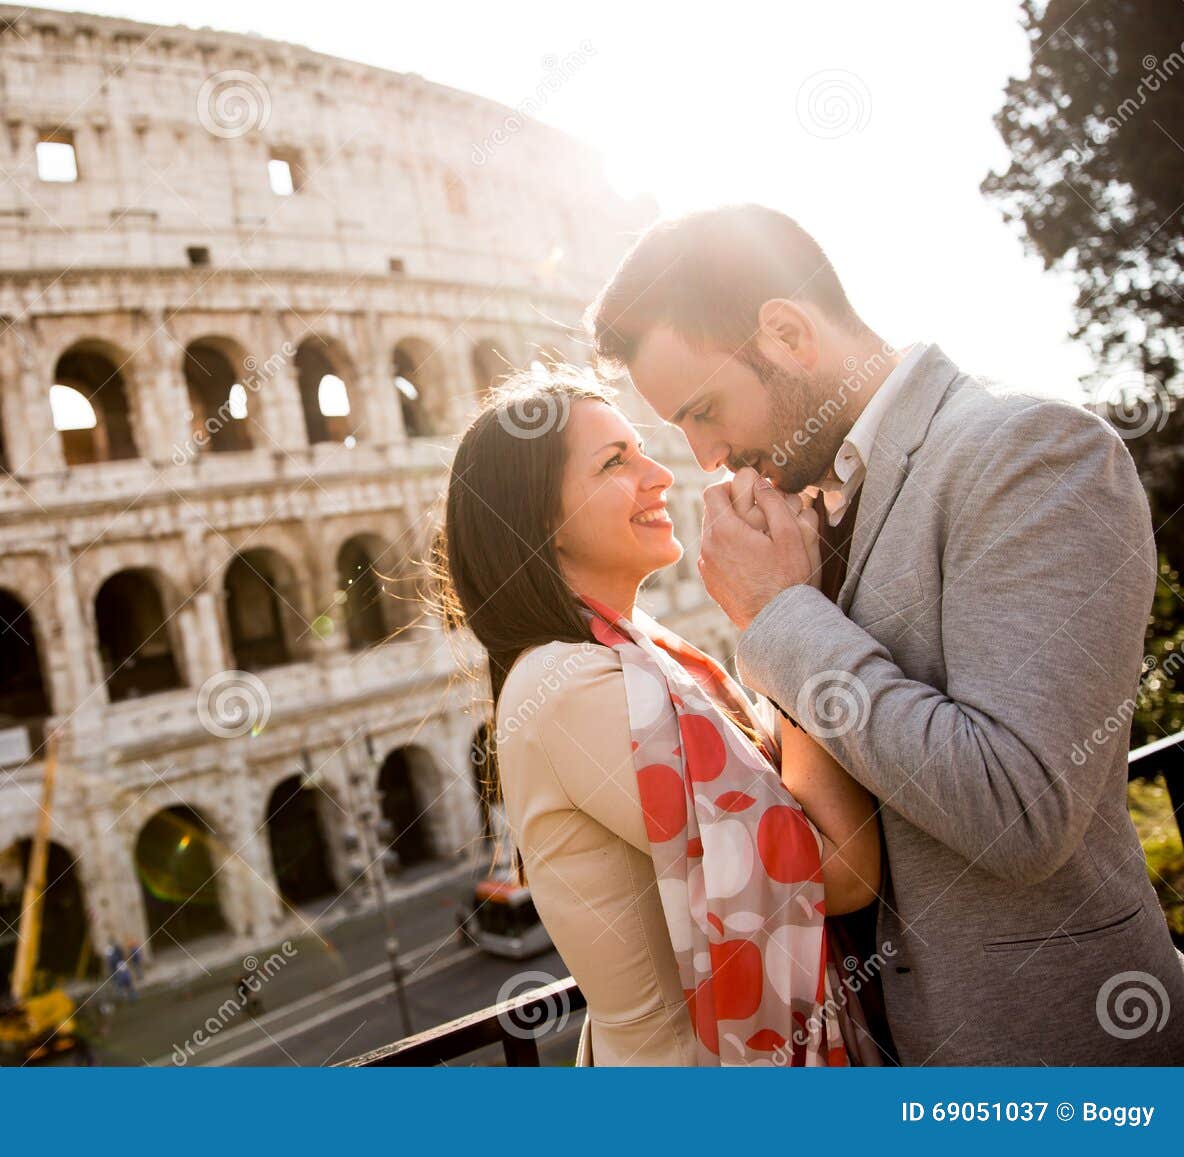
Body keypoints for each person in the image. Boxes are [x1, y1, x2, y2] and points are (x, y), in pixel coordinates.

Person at [585, 202, 1184, 1064]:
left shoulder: (1033, 451)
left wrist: (780, 616)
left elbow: (1019, 811)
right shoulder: (798, 509)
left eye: (706, 409)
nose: (707, 455)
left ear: (788, 333)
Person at [437, 369, 884, 1066]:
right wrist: (785, 613)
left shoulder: (629, 654)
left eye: (641, 450)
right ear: (536, 520)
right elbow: (838, 872)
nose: (659, 475)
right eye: (616, 462)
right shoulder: (569, 687)